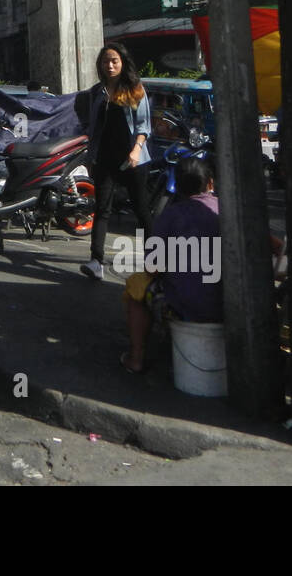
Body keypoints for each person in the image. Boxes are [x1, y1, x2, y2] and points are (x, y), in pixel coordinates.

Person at [120, 155, 221, 374]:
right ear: (210, 183)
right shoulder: (227, 209)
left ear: (178, 186)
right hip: (228, 305)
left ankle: (136, 357)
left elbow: (152, 267)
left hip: (185, 308)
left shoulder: (170, 216)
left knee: (136, 286)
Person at [77, 42, 152, 280]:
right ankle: (96, 261)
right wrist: (91, 156)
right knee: (102, 209)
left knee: (142, 210)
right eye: (105, 61)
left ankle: (155, 261)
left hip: (133, 159)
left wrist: (136, 150)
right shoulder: (96, 93)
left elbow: (143, 125)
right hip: (105, 159)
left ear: (122, 63)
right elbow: (93, 127)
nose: (109, 65)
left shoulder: (135, 88)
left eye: (114, 61)